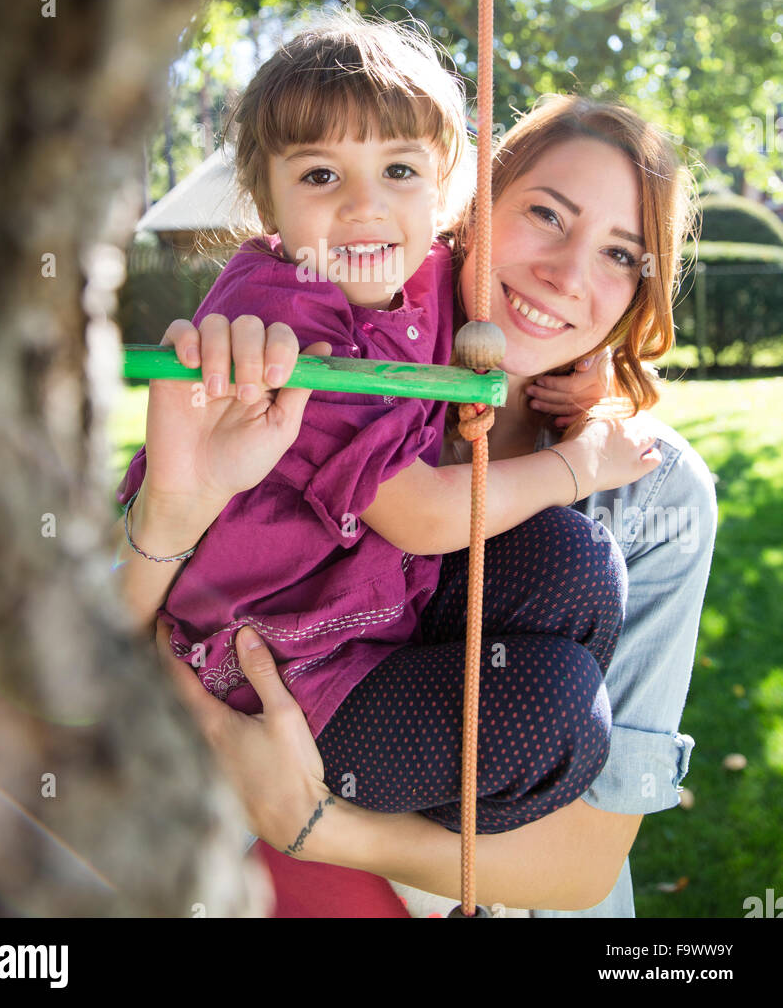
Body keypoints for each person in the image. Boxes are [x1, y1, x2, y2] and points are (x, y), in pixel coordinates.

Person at [114, 77, 716, 916]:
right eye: (546, 214)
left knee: (574, 570)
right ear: (468, 209)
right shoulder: (344, 370)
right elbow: (97, 641)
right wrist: (176, 511)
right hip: (295, 721)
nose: (568, 274)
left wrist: (317, 823)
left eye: (620, 253)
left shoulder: (656, 487)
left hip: (484, 867)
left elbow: (580, 869)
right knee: (553, 694)